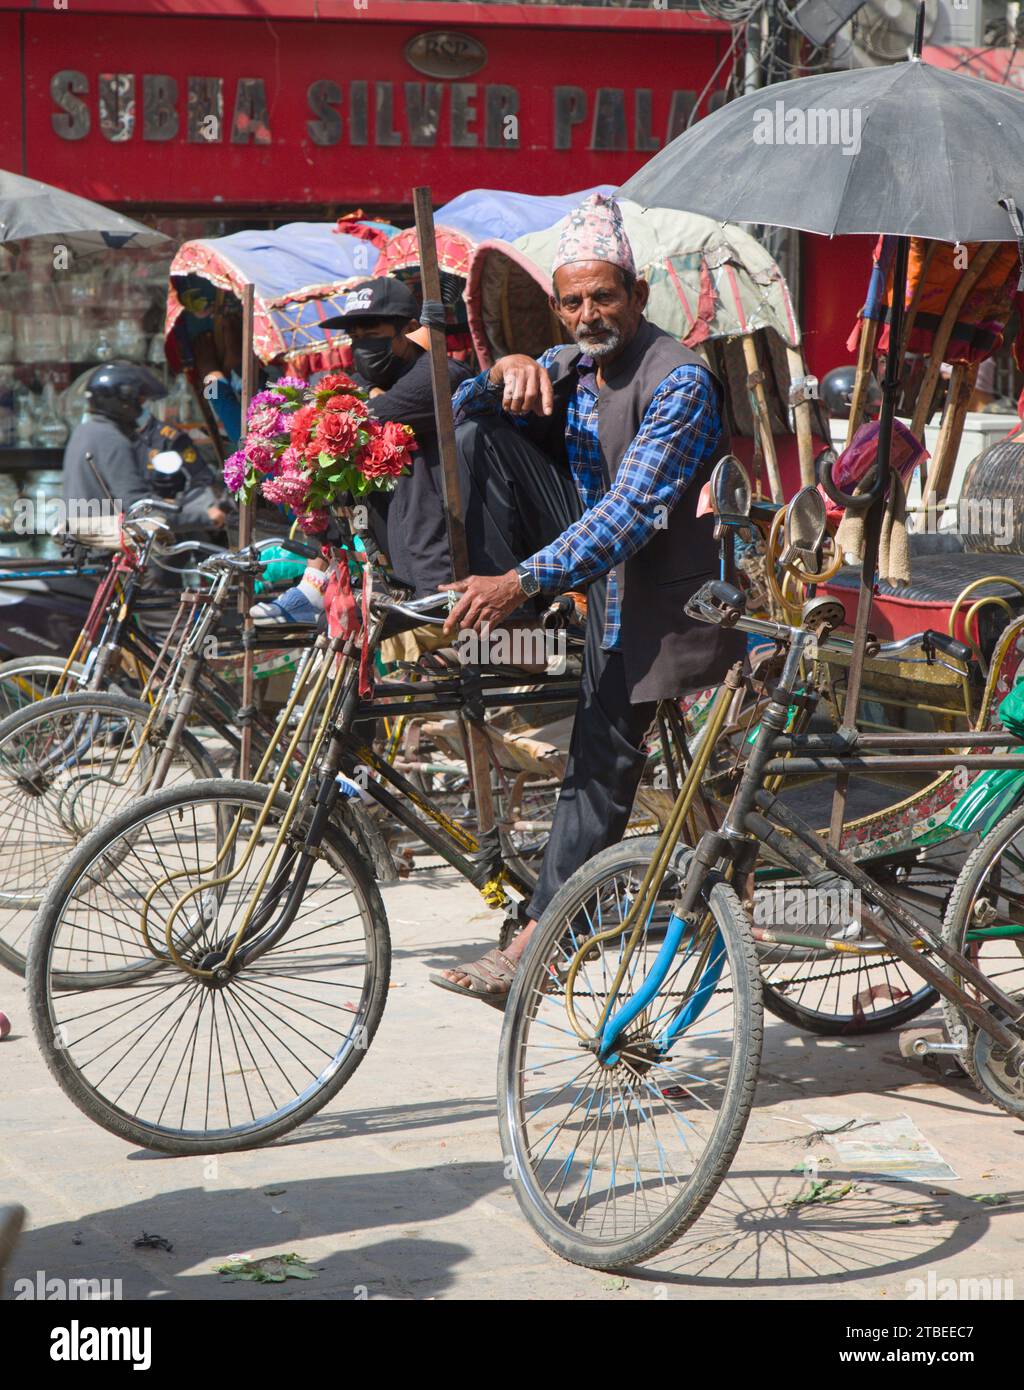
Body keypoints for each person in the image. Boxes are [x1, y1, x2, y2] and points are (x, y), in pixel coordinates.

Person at [429, 192, 744, 1008]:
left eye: (603, 297)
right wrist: (501, 372)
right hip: (589, 582)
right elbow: (462, 417)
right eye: (571, 302)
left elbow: (633, 512)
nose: (586, 315)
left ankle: (539, 942)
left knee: (596, 770)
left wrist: (523, 580)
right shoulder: (570, 363)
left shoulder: (679, 380)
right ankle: (495, 614)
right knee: (479, 431)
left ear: (638, 296)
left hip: (663, 602)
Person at [251, 277, 475, 624]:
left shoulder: (439, 373)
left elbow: (364, 416)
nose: (362, 346)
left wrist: (364, 401)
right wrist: (364, 392)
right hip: (391, 551)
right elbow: (337, 403)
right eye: (355, 338)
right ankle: (319, 575)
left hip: (446, 553)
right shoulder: (373, 381)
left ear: (409, 330)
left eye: (372, 335)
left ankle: (320, 579)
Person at [62, 361, 227, 535]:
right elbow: (138, 508)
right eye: (138, 402)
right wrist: (205, 517)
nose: (140, 410)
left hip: (84, 542)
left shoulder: (84, 432)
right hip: (105, 546)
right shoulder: (111, 439)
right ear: (122, 402)